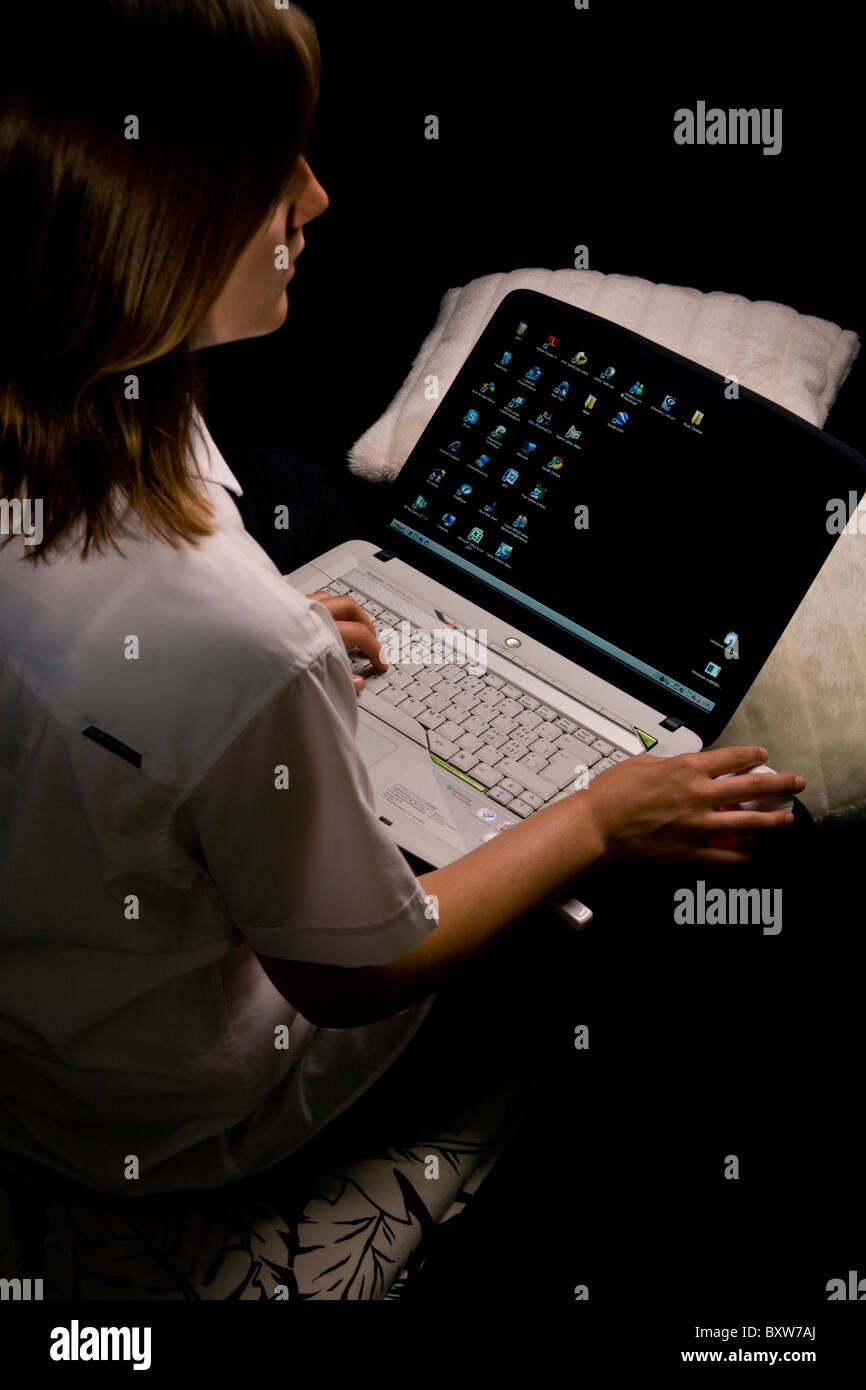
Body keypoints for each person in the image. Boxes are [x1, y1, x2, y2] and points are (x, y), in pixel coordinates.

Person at [0, 0, 805, 1200]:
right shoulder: (234, 636)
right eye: (277, 168)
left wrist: (246, 680)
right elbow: (353, 975)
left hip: (37, 1026)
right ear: (161, 221)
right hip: (167, 1110)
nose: (317, 197)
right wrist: (595, 817)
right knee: (662, 913)